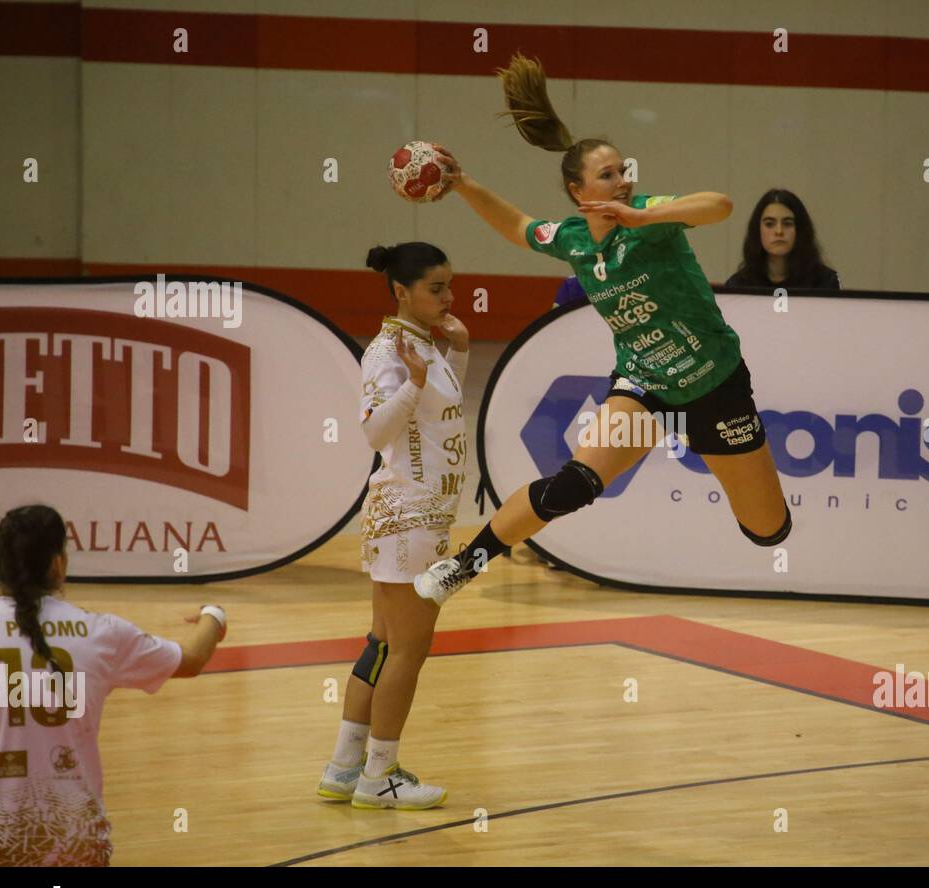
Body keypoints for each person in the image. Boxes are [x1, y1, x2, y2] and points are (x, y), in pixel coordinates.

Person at [411, 53, 792, 608]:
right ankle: (463, 565)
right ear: (577, 191)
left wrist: (648, 216)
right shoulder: (571, 238)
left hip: (715, 386)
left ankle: (763, 516)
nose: (622, 180)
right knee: (575, 484)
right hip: (643, 385)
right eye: (608, 174)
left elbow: (721, 205)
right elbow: (519, 227)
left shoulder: (651, 217)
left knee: (768, 529)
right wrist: (465, 183)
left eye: (623, 171)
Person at [0, 504, 226, 866]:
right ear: (57, 564)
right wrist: (214, 616)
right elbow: (191, 659)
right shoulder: (101, 633)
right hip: (77, 844)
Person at [314, 241, 468, 810]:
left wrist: (459, 354)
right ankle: (381, 775)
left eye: (451, 285)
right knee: (409, 649)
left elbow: (439, 419)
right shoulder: (387, 353)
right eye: (436, 288)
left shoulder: (424, 345)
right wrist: (415, 379)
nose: (449, 297)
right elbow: (376, 433)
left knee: (382, 644)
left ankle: (344, 766)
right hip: (409, 518)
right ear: (401, 292)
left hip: (415, 516)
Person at [723, 189, 839, 290]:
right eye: (769, 224)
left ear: (800, 230)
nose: (779, 231)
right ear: (757, 231)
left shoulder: (825, 283)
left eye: (787, 224)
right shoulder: (738, 285)